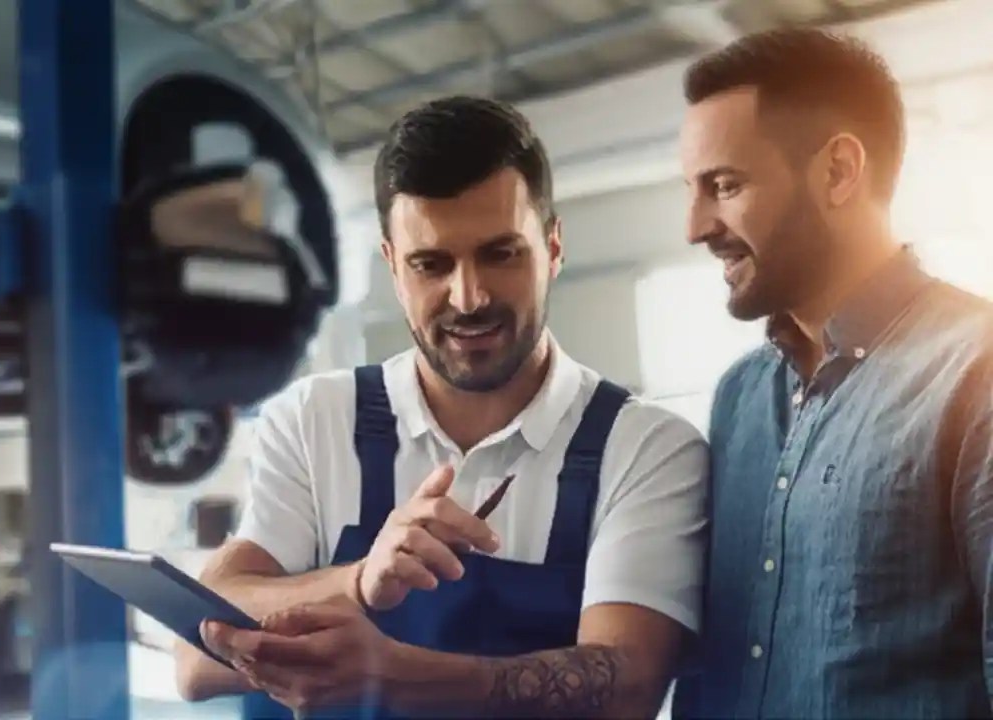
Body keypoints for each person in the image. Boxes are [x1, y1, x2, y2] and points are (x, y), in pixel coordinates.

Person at [172, 95, 709, 719]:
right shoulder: (315, 419)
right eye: (431, 264)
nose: (469, 297)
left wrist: (392, 674)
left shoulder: (645, 448)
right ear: (393, 266)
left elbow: (627, 688)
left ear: (554, 247)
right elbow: (195, 658)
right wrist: (358, 581)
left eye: (500, 253)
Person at [670, 27, 993, 719]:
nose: (694, 226)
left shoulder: (976, 372)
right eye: (692, 190)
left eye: (724, 186)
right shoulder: (739, 398)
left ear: (839, 171)